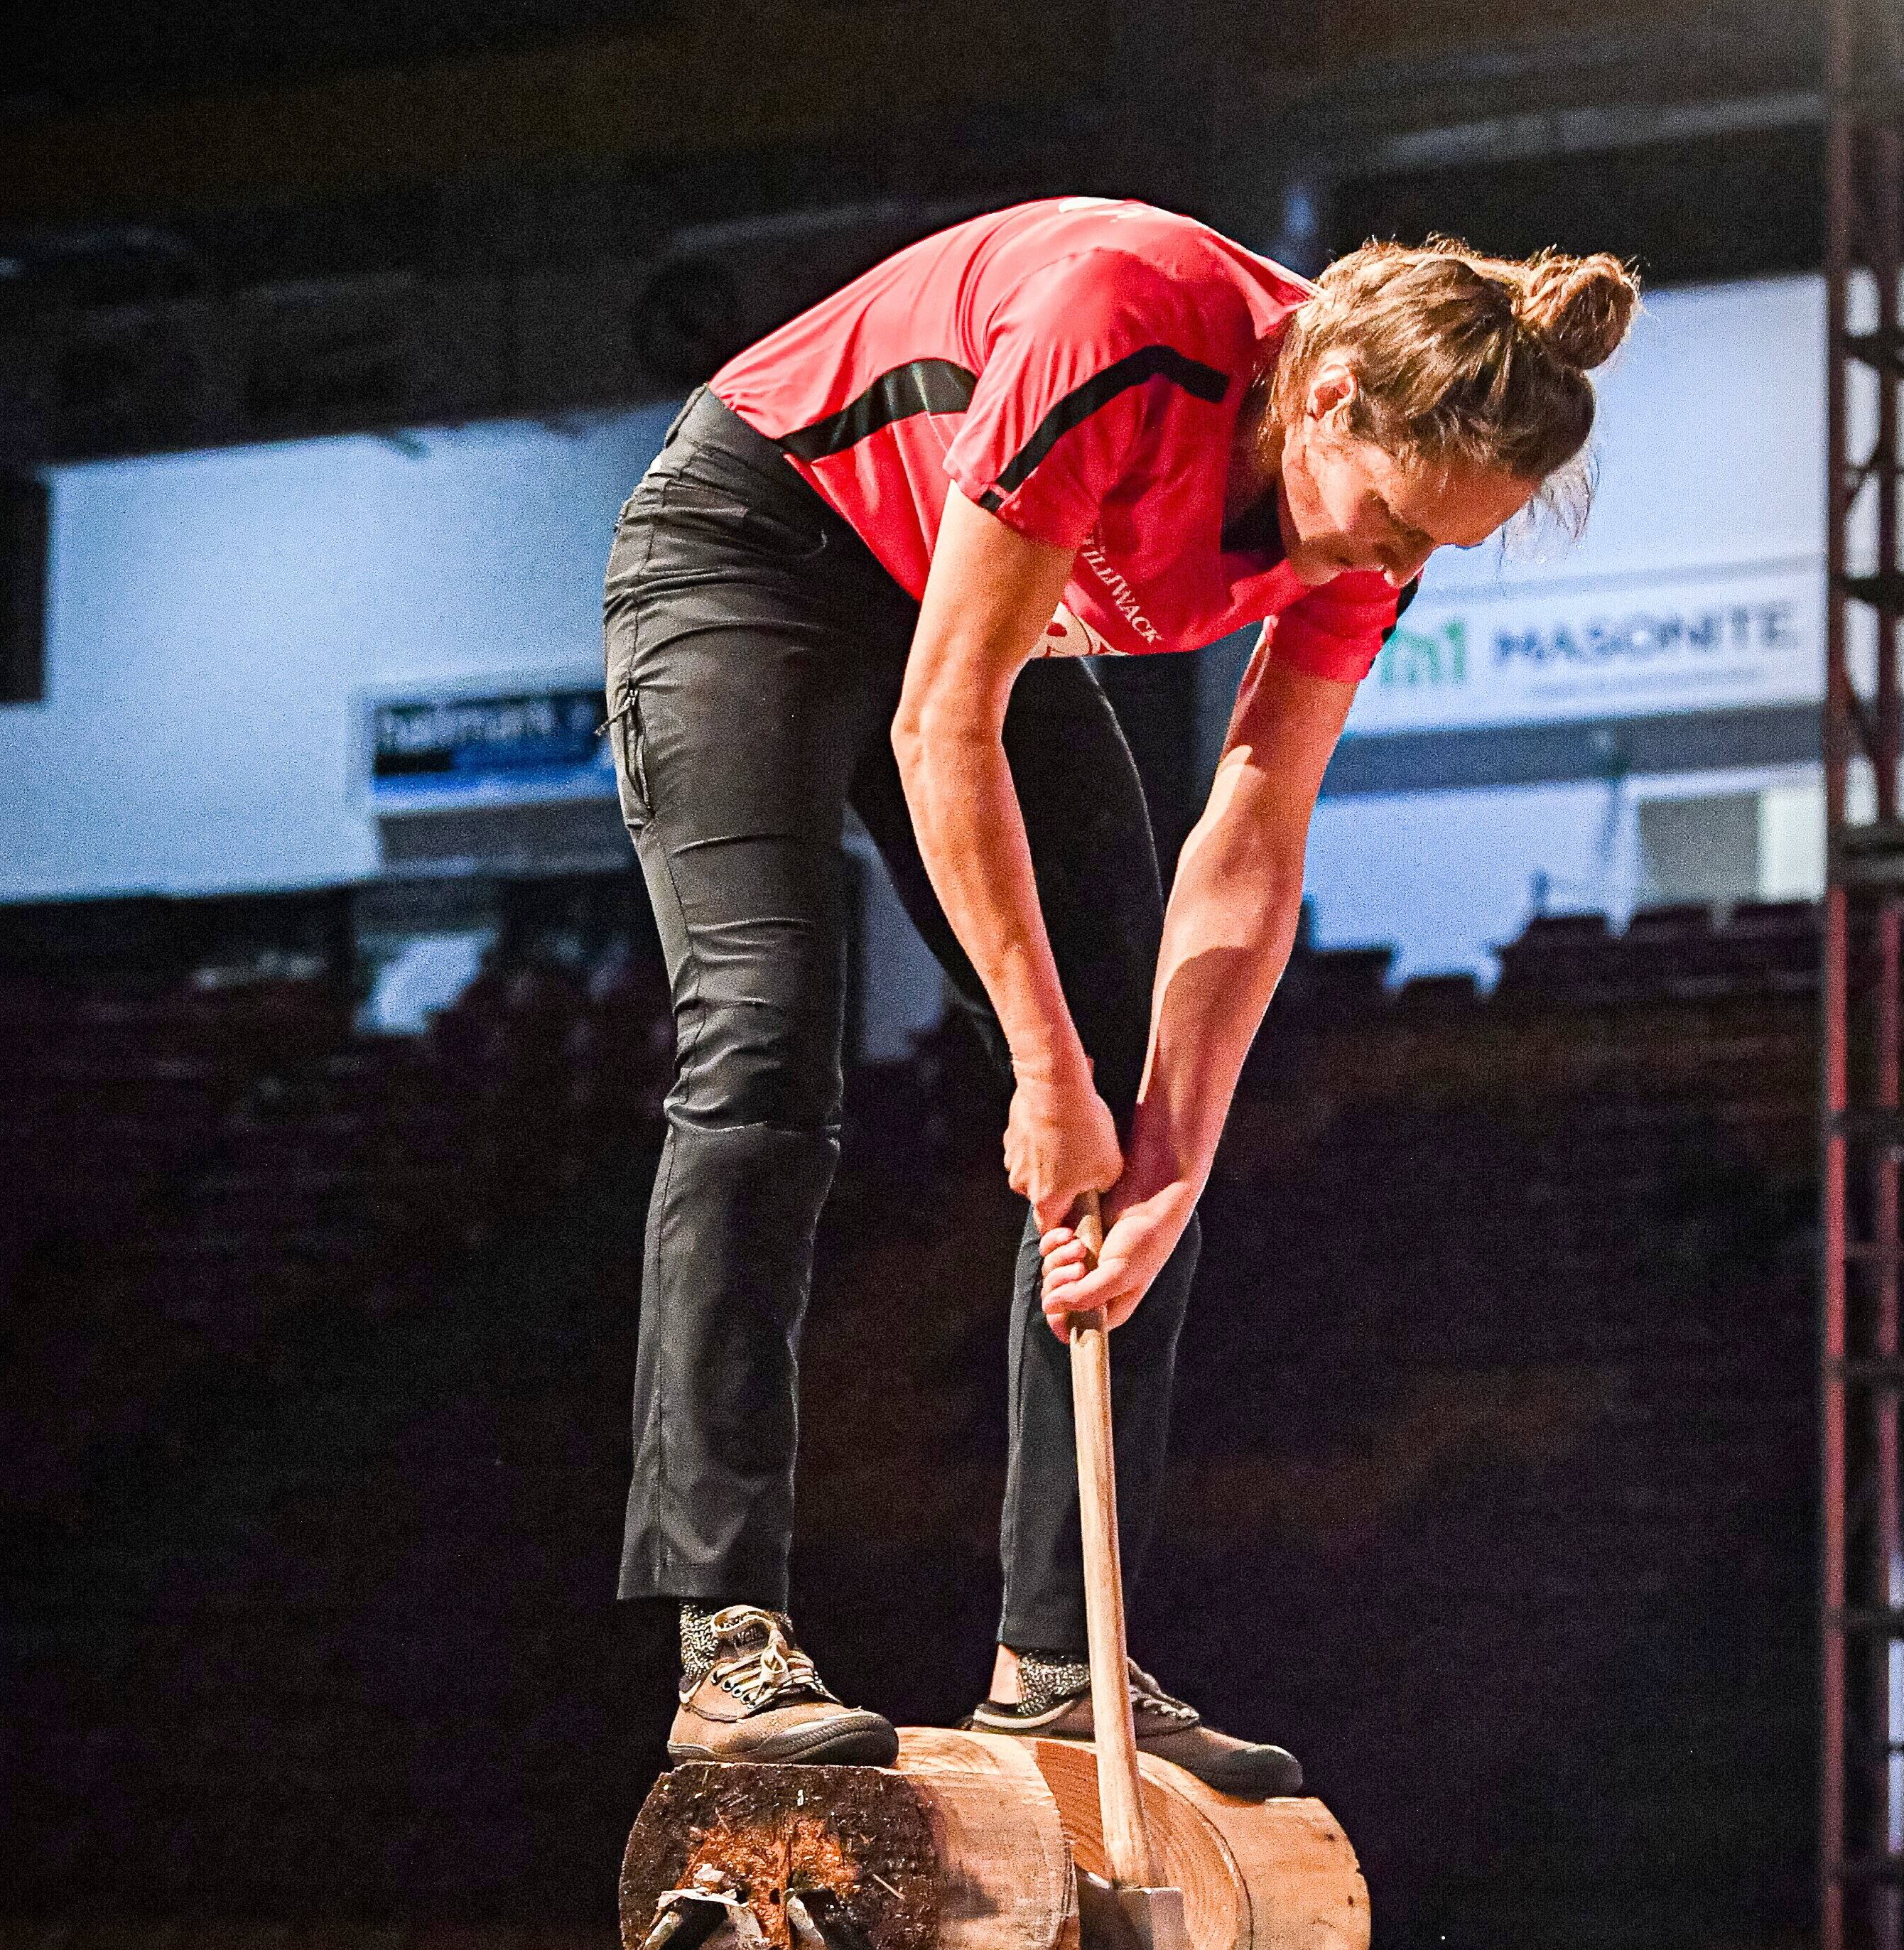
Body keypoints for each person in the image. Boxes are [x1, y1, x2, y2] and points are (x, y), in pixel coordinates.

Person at [604, 197, 1638, 1784]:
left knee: (1144, 1123)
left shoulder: (1378, 519)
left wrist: (1171, 1156)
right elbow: (940, 722)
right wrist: (1042, 1074)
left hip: (974, 607)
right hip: (765, 545)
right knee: (765, 1041)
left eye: (1439, 546)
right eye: (1392, 520)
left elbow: (1257, 834)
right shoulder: (1123, 322)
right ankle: (723, 1635)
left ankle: (1056, 1662)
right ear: (1327, 398)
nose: (1394, 563)